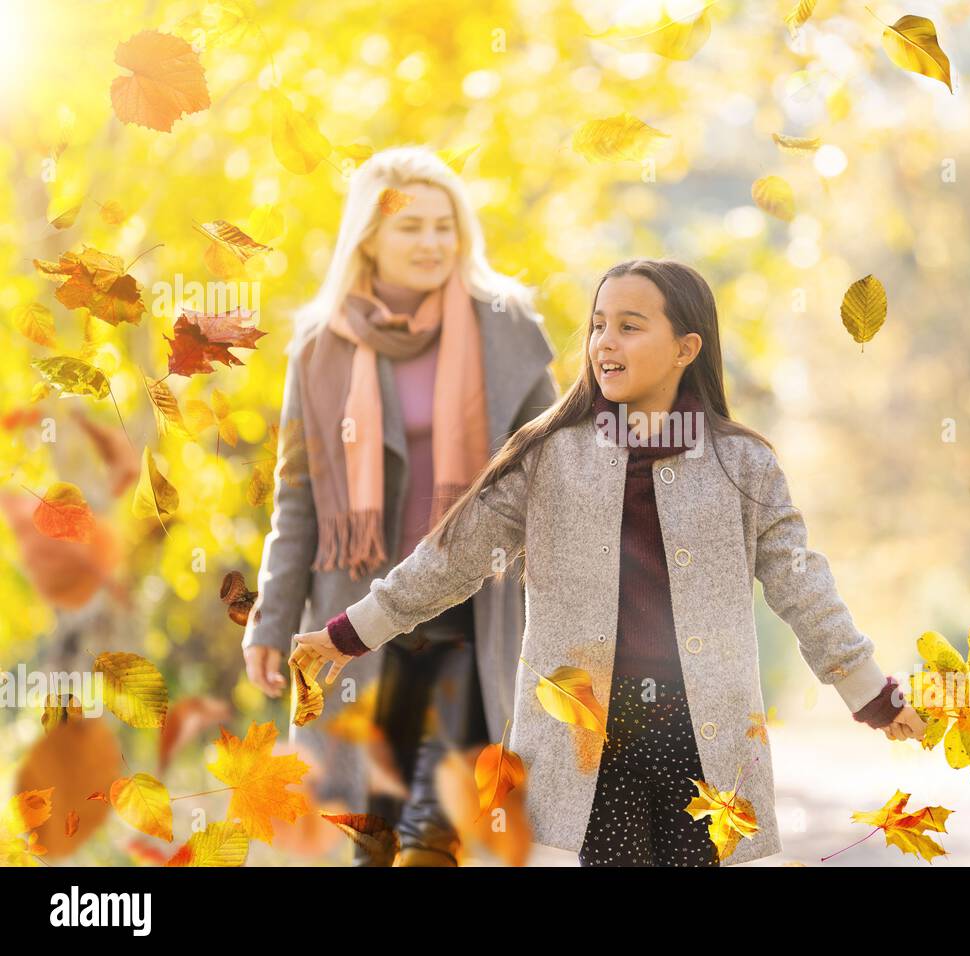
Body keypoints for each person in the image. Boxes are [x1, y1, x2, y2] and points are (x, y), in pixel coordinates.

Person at [293, 259, 924, 867]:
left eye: (629, 325)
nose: (604, 342)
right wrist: (349, 634)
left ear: (686, 348)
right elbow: (448, 559)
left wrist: (871, 695)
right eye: (598, 325)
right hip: (588, 743)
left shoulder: (744, 464)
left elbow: (802, 584)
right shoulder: (547, 458)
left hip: (703, 741)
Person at [240, 145, 557, 865]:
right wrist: (270, 620)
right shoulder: (320, 348)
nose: (432, 243)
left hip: (470, 608)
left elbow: (555, 468)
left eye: (445, 226)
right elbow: (296, 500)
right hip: (355, 611)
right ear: (370, 238)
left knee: (430, 825)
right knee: (369, 831)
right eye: (410, 227)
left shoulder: (504, 327)